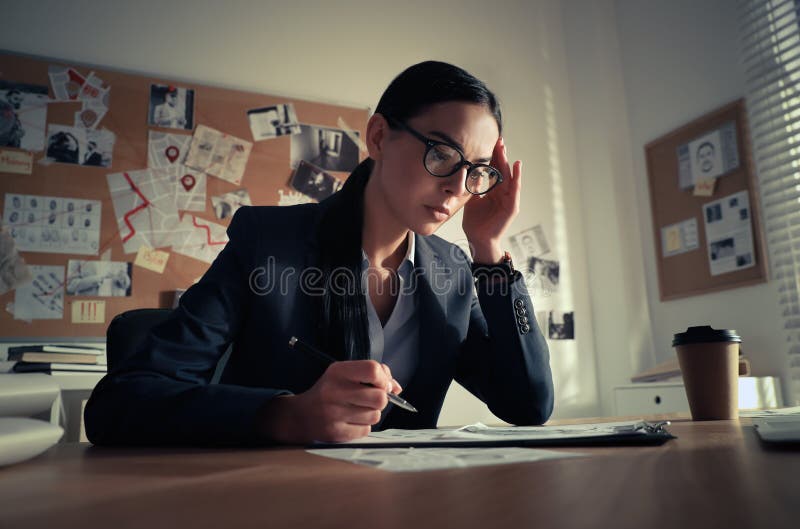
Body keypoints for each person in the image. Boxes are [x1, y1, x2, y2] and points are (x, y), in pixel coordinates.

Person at [85, 60, 553, 446]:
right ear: (378, 137)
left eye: (476, 171)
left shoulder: (452, 270)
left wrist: (489, 251)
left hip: (410, 504)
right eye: (443, 154)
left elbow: (527, 405)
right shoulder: (270, 245)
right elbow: (120, 402)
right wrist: (283, 415)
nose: (456, 186)